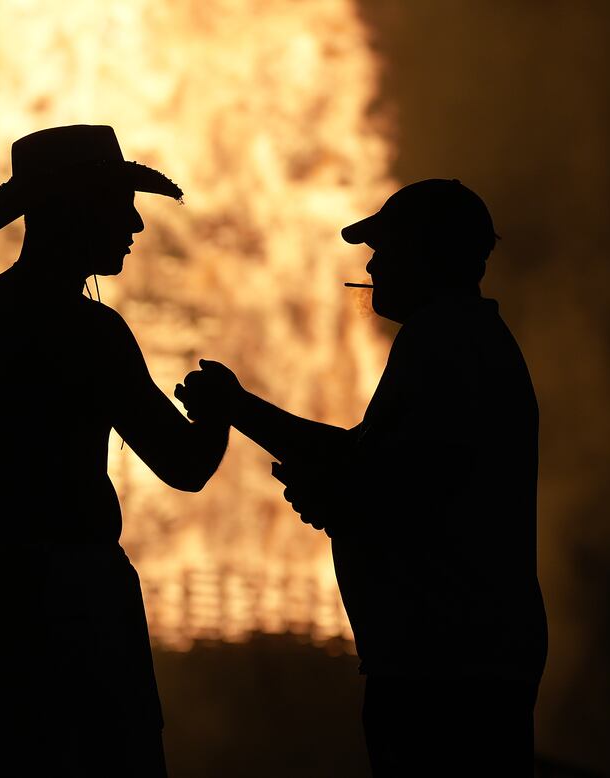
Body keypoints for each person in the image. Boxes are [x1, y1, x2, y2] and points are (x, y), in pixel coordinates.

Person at [176, 179, 548, 776]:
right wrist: (243, 410)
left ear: (428, 255)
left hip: (446, 663)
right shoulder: (453, 338)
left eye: (385, 248)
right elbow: (375, 461)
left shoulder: (446, 345)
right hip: (456, 651)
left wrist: (336, 500)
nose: (372, 264)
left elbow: (399, 494)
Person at [0, 125, 229, 777]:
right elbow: (186, 466)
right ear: (72, 209)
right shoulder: (93, 334)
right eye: (116, 203)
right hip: (87, 608)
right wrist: (220, 410)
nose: (134, 223)